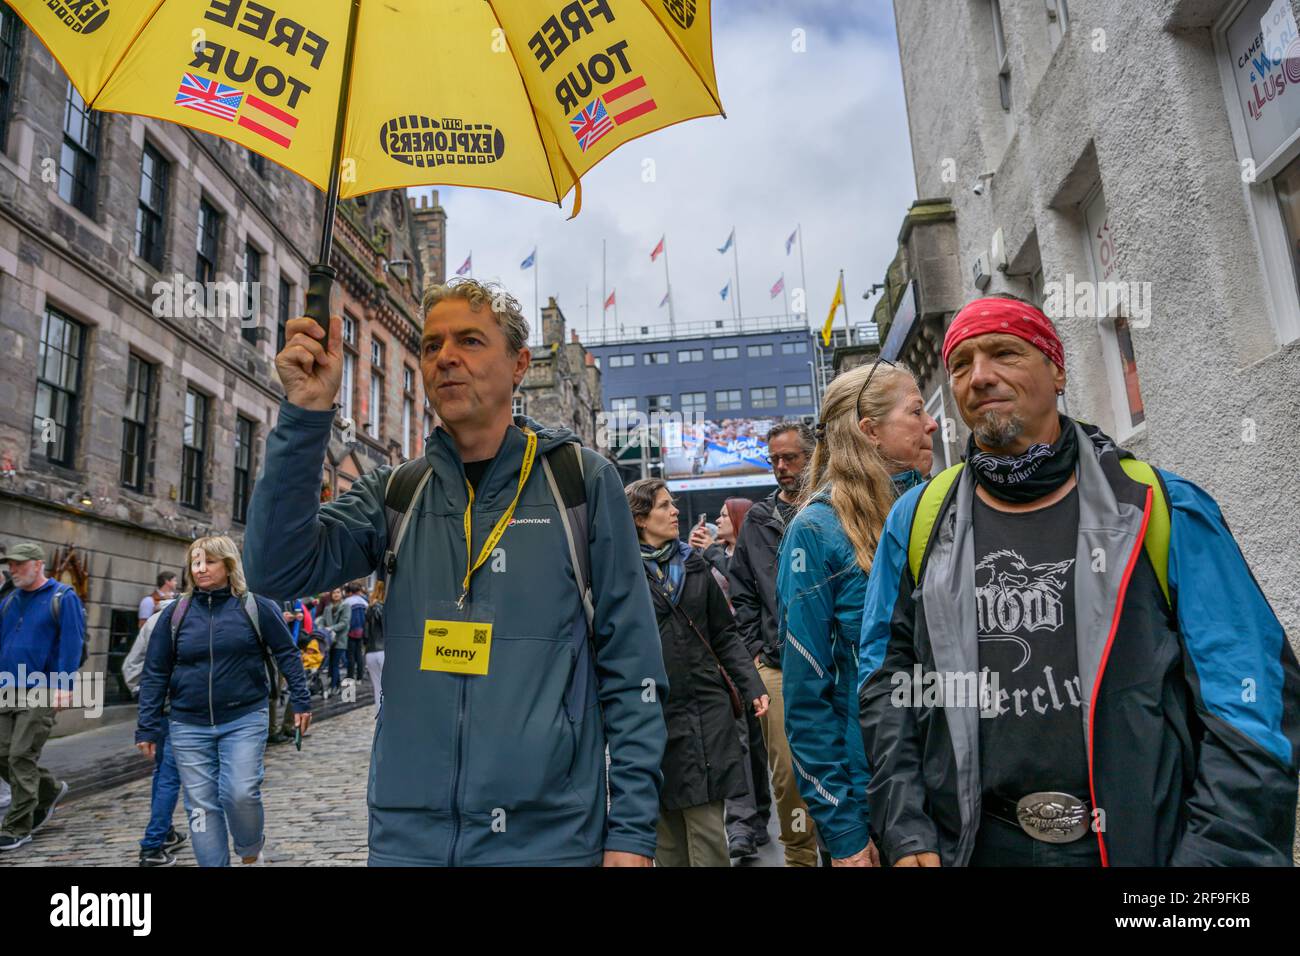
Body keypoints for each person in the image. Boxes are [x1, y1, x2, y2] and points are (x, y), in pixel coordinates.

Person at [859, 295, 1300, 867]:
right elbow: (886, 682)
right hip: (975, 848)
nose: (980, 376)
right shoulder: (918, 522)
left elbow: (1249, 693)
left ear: (1057, 370)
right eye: (961, 364)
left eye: (1004, 353)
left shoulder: (1159, 509)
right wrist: (906, 826)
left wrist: (1214, 859)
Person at [243, 277, 668, 867]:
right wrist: (303, 416)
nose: (445, 357)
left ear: (519, 364)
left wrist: (631, 832)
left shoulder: (581, 483)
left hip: (548, 840)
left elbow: (634, 666)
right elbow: (272, 569)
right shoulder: (397, 493)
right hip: (408, 840)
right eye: (431, 344)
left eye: (470, 340)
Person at [777, 360, 938, 868]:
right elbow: (805, 695)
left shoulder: (941, 505)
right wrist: (843, 832)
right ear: (870, 431)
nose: (933, 423)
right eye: (916, 412)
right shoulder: (815, 531)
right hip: (874, 800)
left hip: (954, 786)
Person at [135, 535, 312, 867]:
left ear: (229, 565)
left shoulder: (256, 607)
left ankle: (249, 851)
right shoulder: (175, 614)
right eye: (195, 562)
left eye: (209, 562)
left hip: (244, 717)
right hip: (187, 724)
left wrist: (302, 701)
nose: (200, 569)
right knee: (200, 805)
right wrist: (146, 726)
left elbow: (287, 652)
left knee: (240, 793)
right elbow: (155, 671)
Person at [626, 479, 768, 867]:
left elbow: (724, 632)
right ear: (639, 519)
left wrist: (751, 684)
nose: (675, 512)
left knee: (707, 832)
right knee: (666, 835)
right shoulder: (621, 572)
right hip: (650, 712)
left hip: (707, 708)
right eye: (664, 506)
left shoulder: (694, 563)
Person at [728, 421, 820, 866]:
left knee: (845, 764)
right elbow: (741, 591)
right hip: (779, 668)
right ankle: (800, 857)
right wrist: (758, 654)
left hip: (837, 662)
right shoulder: (758, 521)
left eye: (791, 458)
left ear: (812, 455)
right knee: (788, 775)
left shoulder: (834, 506)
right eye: (775, 460)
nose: (781, 468)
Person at [0, 542, 83, 852]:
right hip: (6, 687)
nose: (13, 569)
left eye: (19, 564)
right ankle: (48, 790)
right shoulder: (9, 601)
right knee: (2, 753)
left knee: (21, 754)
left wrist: (64, 685)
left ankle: (17, 826)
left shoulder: (63, 597)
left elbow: (72, 644)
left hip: (43, 687)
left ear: (38, 564)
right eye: (10, 564)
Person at [122, 597, 188, 866]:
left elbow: (131, 666)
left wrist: (144, 694)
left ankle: (167, 831)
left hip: (157, 707)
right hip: (176, 708)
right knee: (169, 776)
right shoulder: (186, 620)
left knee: (162, 772)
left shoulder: (152, 621)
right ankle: (152, 845)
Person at [317, 588, 349, 697]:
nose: (336, 594)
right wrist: (321, 626)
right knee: (331, 663)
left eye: (338, 592)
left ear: (341, 594)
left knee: (335, 663)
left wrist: (331, 628)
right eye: (334, 592)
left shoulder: (345, 606)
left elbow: (344, 623)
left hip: (340, 639)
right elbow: (322, 619)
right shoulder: (327, 608)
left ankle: (333, 686)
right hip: (329, 640)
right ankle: (337, 685)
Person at [364, 581, 386, 709]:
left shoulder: (369, 608)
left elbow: (365, 634)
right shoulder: (383, 608)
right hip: (383, 650)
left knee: (378, 690)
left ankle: (380, 721)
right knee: (388, 689)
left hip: (370, 651)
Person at [341, 583, 368, 683]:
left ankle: (350, 676)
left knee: (350, 656)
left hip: (350, 632)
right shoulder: (364, 602)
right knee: (359, 655)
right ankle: (360, 677)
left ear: (349, 592)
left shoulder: (347, 602)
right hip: (361, 631)